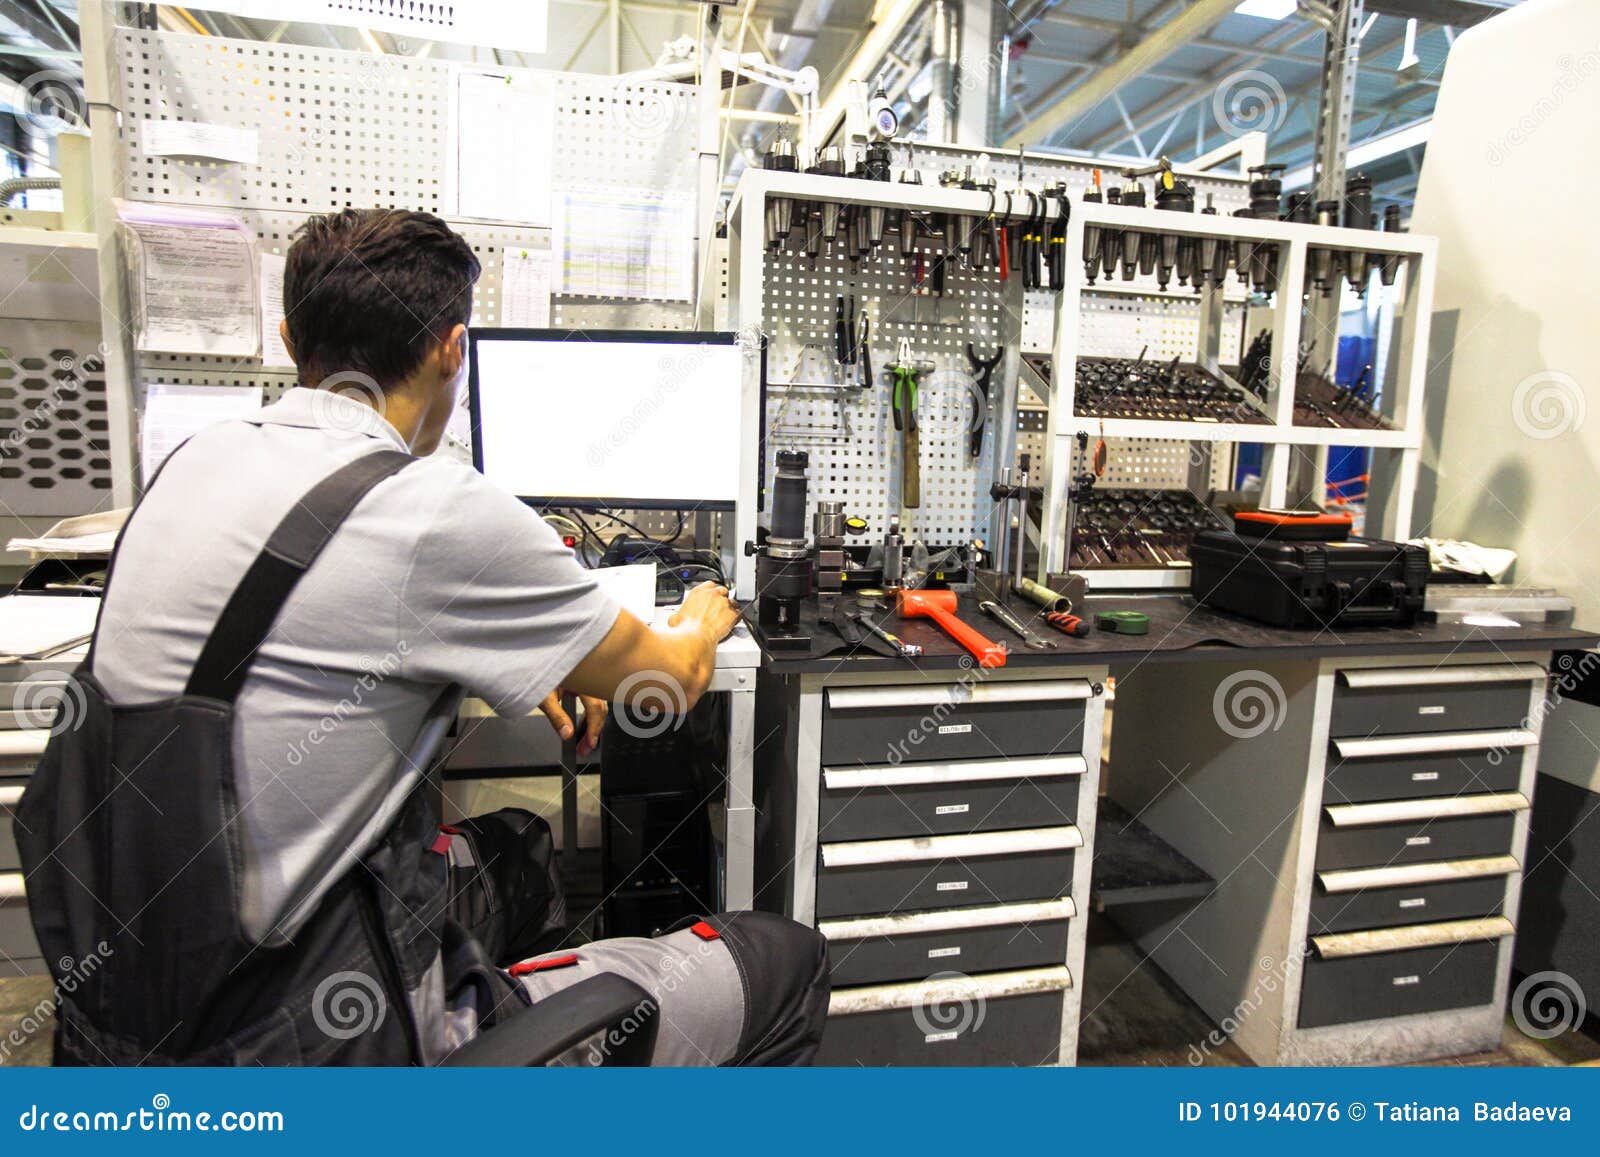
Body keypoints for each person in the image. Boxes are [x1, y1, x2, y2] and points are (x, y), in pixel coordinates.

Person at [17, 208, 828, 1066]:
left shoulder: (193, 464)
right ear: (452, 348)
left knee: (524, 845)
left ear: (292, 338)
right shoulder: (432, 509)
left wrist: (525, 651)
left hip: (124, 1027)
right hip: (311, 1045)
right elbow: (663, 681)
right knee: (787, 962)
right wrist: (701, 614)